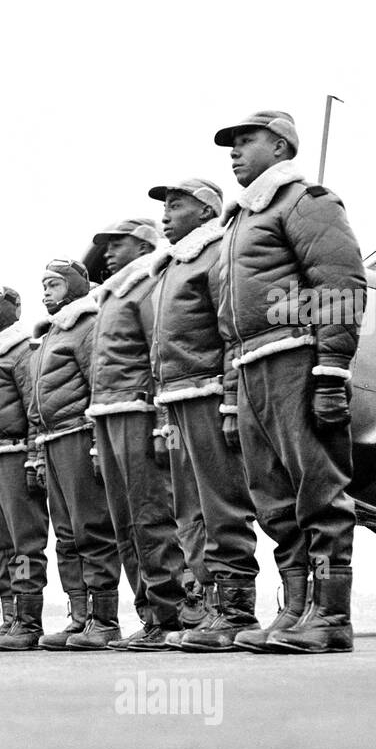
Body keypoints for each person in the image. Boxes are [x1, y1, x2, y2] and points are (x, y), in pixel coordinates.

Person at [213, 110, 366, 652]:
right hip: (251, 370)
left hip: (296, 361)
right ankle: (297, 611)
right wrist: (233, 396)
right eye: (229, 144)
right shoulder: (238, 225)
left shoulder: (306, 201)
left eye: (244, 141)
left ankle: (331, 617)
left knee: (319, 492)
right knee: (274, 502)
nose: (233, 151)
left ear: (280, 147)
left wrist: (330, 374)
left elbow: (340, 284)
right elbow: (230, 325)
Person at [147, 177, 261, 651]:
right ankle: (209, 606)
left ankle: (237, 610)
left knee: (221, 504)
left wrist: (232, 400)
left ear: (204, 211)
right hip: (175, 402)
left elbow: (232, 334)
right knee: (189, 511)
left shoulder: (215, 256)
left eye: (176, 206)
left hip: (208, 395)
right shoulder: (170, 268)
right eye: (164, 207)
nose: (165, 215)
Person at [87, 218, 186, 650]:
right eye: (105, 245)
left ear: (144, 243)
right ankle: (149, 616)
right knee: (125, 520)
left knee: (151, 514)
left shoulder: (150, 284)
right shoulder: (113, 294)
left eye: (117, 243)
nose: (107, 253)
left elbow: (159, 351)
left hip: (139, 409)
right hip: (108, 412)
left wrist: (163, 422)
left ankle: (173, 614)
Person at [28, 258, 127, 650]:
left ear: (72, 287)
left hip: (77, 434)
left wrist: (94, 444)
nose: (45, 293)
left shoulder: (86, 326)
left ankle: (105, 620)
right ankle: (79, 616)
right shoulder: (50, 335)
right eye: (43, 285)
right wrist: (37, 453)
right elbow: (38, 404)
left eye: (52, 285)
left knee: (92, 528)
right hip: (51, 442)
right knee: (66, 536)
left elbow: (98, 384)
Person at [0, 285, 48, 649]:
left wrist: (34, 456)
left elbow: (35, 407)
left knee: (24, 543)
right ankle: (11, 614)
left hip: (14, 455)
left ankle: (29, 621)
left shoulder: (20, 352)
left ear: (9, 310)